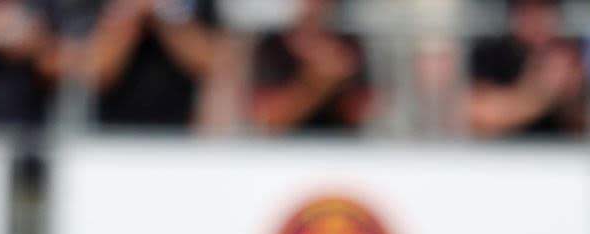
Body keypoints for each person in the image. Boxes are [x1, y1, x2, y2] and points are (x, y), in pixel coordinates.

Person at [56, 0, 227, 129]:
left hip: (179, 137)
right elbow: (97, 71)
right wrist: (131, 14)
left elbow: (212, 60)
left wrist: (163, 12)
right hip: (111, 138)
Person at [465, 0, 589, 139]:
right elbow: (473, 116)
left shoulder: (574, 52)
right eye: (526, 9)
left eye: (544, 9)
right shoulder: (491, 52)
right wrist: (541, 92)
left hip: (566, 157)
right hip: (500, 157)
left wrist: (570, 100)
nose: (536, 19)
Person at [245, 0, 373, 134]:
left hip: (341, 148)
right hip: (284, 150)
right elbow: (267, 118)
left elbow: (364, 113)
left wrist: (339, 76)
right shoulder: (271, 46)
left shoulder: (349, 43)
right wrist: (317, 81)